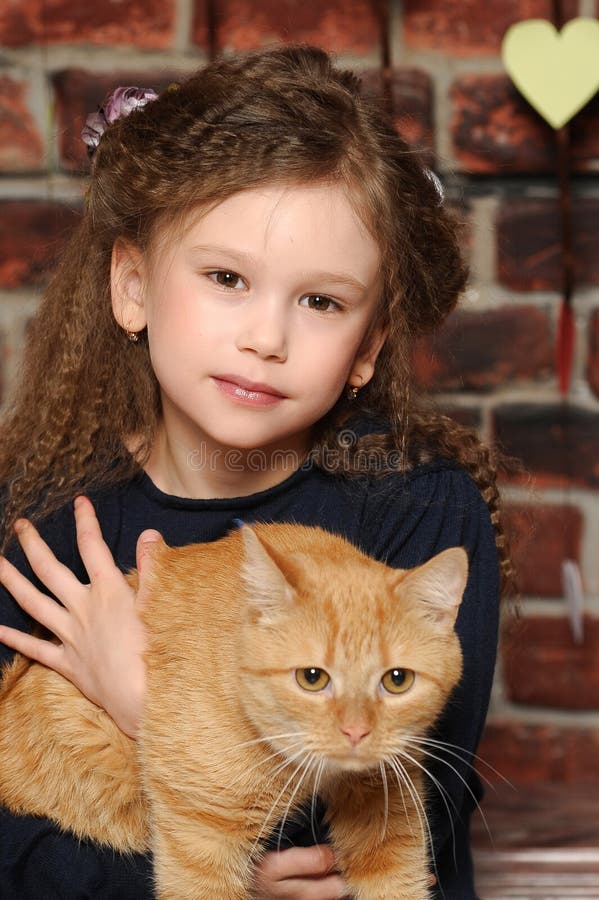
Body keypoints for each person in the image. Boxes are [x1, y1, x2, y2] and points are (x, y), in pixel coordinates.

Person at [0, 45, 507, 900]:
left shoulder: (417, 508)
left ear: (365, 351)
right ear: (132, 287)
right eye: (227, 277)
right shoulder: (44, 512)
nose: (265, 337)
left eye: (321, 301)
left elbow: (417, 796)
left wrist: (143, 702)